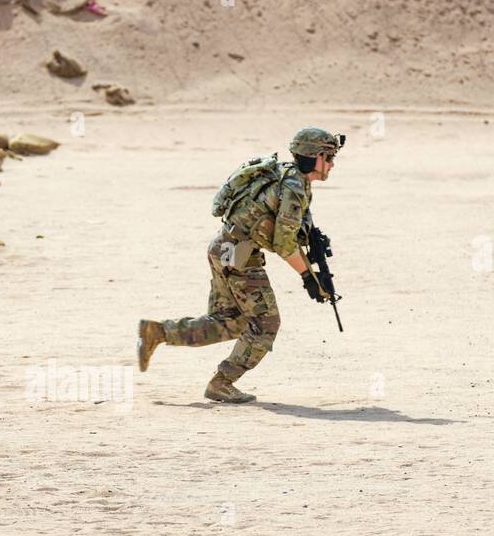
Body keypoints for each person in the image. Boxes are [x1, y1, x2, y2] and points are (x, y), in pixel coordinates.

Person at [137, 127, 345, 403]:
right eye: (328, 157)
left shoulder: (285, 175)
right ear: (314, 156)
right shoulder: (293, 187)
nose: (332, 164)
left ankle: (157, 332)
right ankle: (222, 383)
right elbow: (284, 244)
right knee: (266, 325)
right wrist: (309, 277)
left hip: (224, 248)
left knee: (230, 322)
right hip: (239, 257)